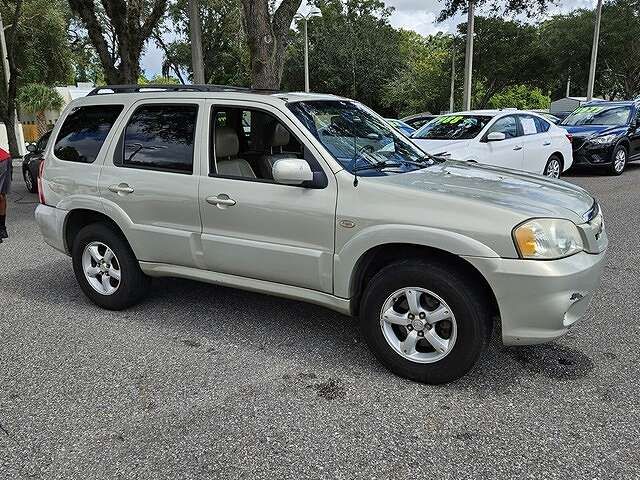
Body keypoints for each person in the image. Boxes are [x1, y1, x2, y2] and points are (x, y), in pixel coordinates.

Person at [0, 146, 11, 243]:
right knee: (1, 195)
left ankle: (2, 228)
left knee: (1, 195)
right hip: (4, 158)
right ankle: (2, 229)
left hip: (2, 159)